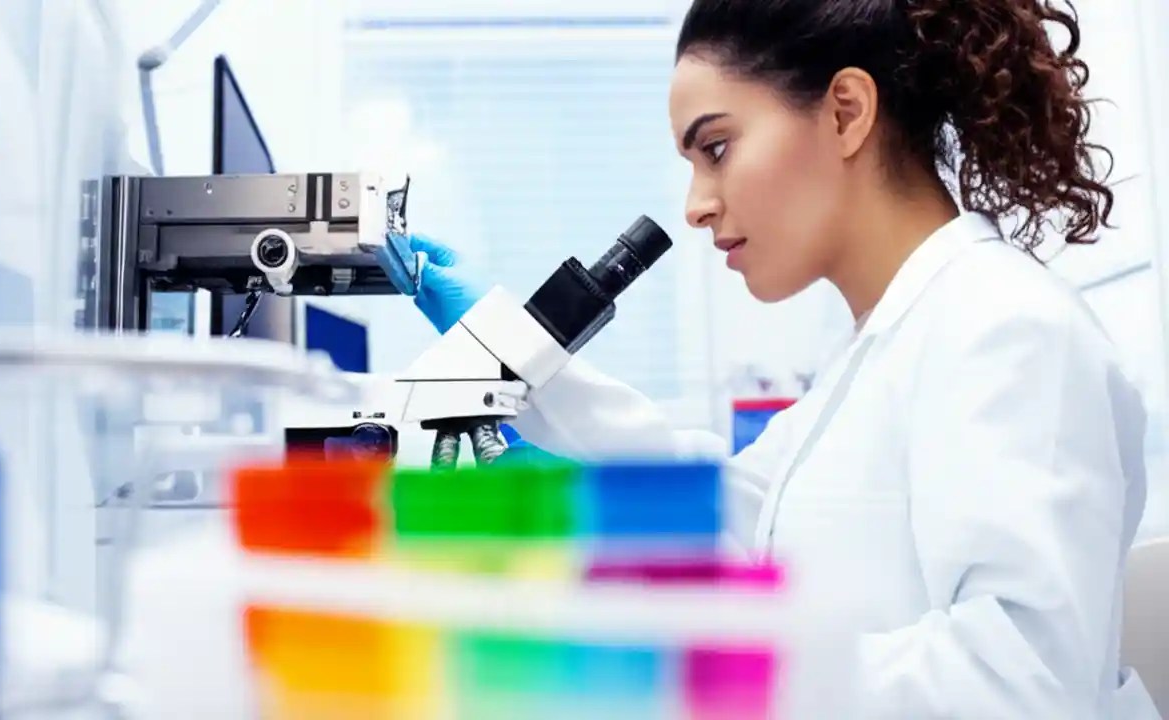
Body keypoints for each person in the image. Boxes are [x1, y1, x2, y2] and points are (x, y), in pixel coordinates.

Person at [395, 0, 1160, 716]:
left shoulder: (1004, 328)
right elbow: (742, 511)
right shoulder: (881, 346)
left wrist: (717, 668)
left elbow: (1023, 684)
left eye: (717, 148)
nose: (696, 203)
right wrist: (529, 381)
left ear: (846, 112)